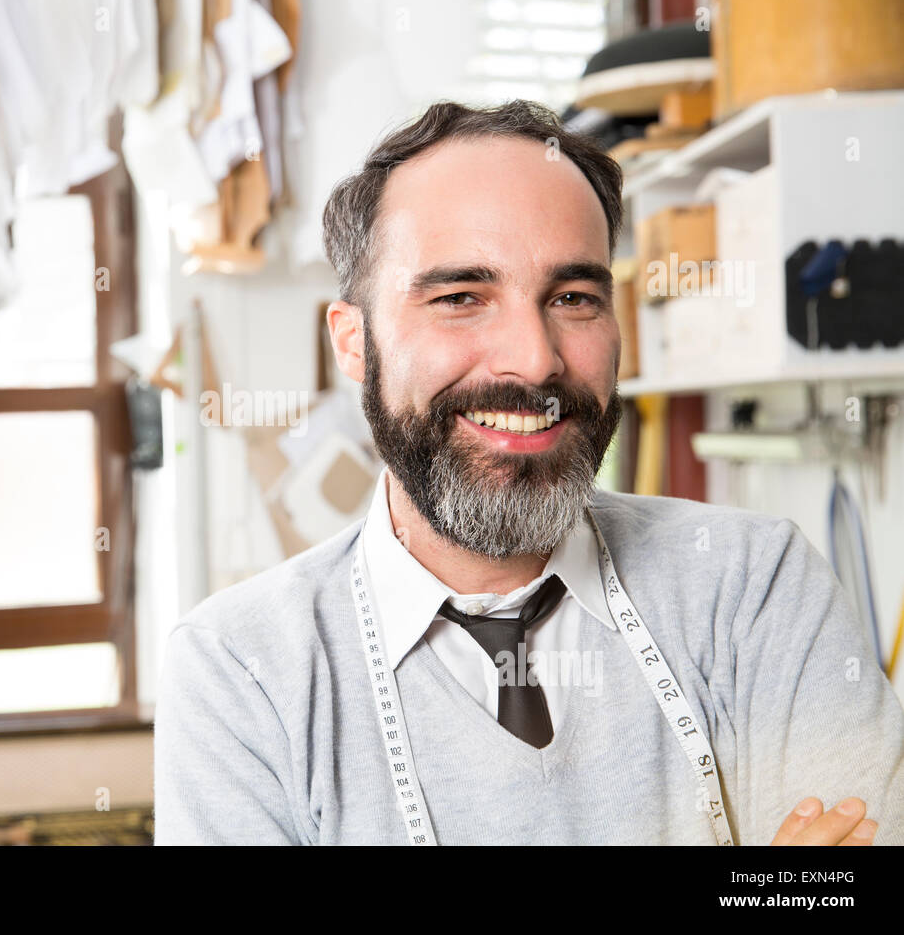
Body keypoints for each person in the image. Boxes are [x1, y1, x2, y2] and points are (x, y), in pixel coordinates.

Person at [152, 100, 904, 845]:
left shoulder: (753, 586)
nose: (535, 359)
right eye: (460, 298)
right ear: (354, 341)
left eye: (573, 298)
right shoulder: (239, 674)